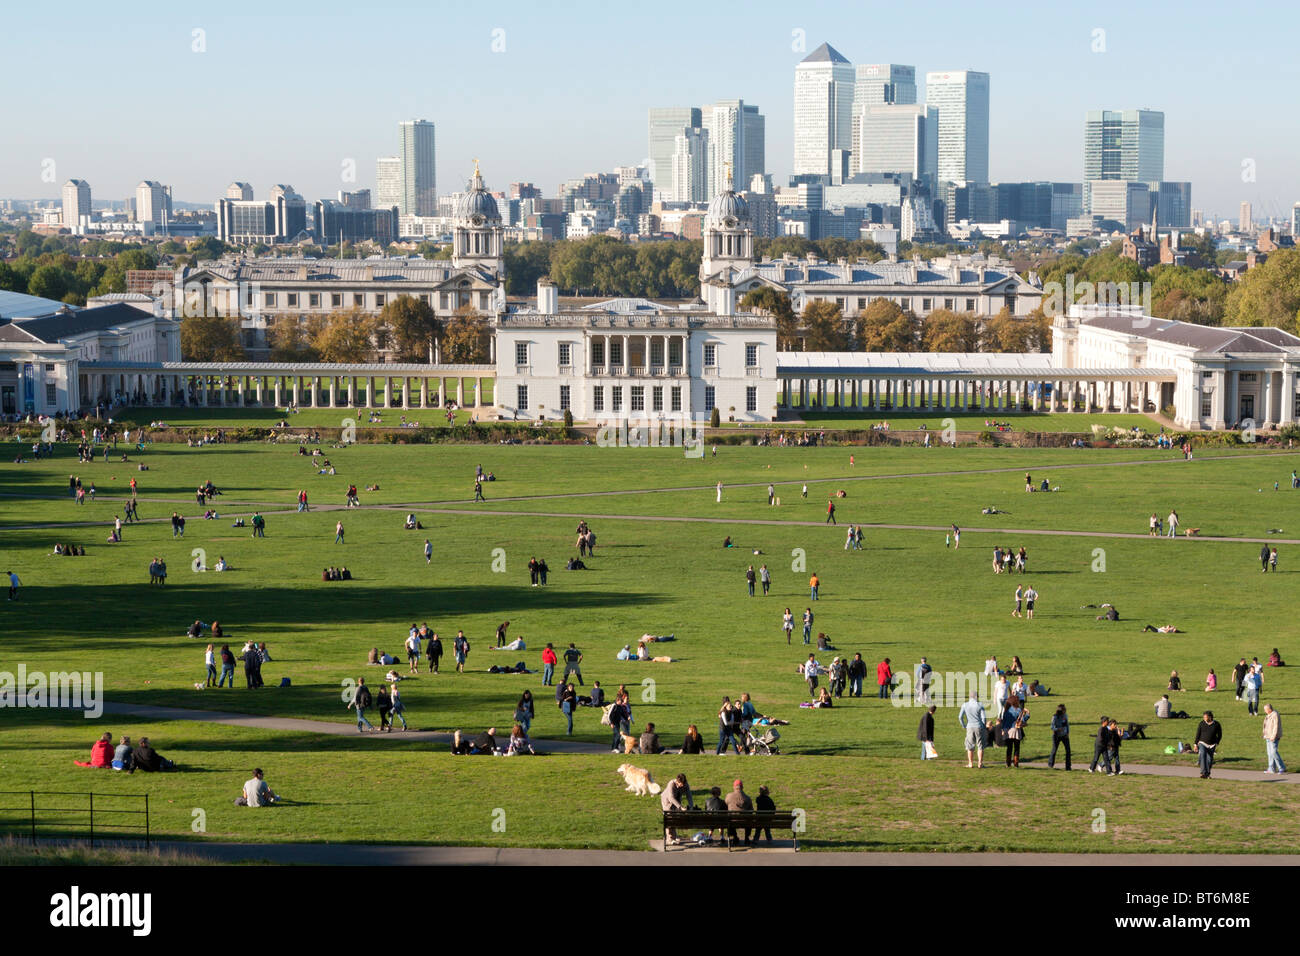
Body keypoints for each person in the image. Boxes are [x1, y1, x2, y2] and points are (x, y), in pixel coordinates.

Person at [661, 773, 695, 845]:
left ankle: (674, 836)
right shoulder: (671, 784)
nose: (682, 785)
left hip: (677, 799)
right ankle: (669, 838)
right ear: (677, 781)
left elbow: (689, 795)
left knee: (675, 817)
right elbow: (671, 797)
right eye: (680, 784)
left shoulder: (685, 784)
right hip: (667, 801)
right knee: (669, 818)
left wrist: (691, 806)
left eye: (683, 783)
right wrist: (680, 807)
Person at [959, 692, 987, 768]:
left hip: (969, 726)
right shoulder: (980, 705)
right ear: (976, 697)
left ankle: (970, 763)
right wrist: (984, 726)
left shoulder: (965, 705)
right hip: (979, 726)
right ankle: (980, 763)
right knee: (980, 746)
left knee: (970, 746)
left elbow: (960, 717)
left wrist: (964, 725)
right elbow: (983, 718)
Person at [724, 779, 755, 846]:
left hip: (732, 821)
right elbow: (751, 810)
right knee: (750, 819)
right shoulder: (747, 798)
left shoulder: (729, 796)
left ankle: (735, 837)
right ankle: (746, 838)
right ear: (742, 787)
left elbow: (725, 805)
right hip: (745, 821)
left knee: (729, 819)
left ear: (734, 787)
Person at [1002, 697, 1028, 767]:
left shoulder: (1006, 710)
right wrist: (1027, 714)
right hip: (1016, 730)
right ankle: (1016, 763)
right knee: (1017, 747)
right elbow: (1023, 720)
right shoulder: (1019, 710)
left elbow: (1003, 721)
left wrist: (1002, 730)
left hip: (1007, 730)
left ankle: (1008, 763)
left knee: (1009, 747)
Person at [1195, 711, 1223, 778]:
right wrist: (1195, 744)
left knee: (1209, 759)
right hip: (1202, 743)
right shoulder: (1202, 723)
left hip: (1212, 744)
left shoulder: (1216, 724)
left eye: (1205, 717)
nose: (1204, 718)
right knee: (1202, 755)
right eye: (1203, 717)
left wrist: (1217, 742)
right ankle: (1203, 773)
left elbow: (1220, 734)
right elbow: (1198, 734)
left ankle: (1207, 774)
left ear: (1210, 717)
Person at [1262, 703, 1286, 774]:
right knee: (1270, 753)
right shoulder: (1268, 715)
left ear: (1269, 709)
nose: (1264, 711)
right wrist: (1264, 734)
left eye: (1265, 710)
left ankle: (1281, 767)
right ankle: (1271, 769)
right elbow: (1266, 725)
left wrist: (1273, 736)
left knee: (1274, 752)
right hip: (1268, 736)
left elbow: (1276, 726)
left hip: (1273, 737)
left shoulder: (1275, 714)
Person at [1048, 704, 1071, 770]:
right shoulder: (1055, 717)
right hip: (1056, 736)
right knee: (1054, 750)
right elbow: (1052, 727)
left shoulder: (1065, 716)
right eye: (1064, 709)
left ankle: (1068, 766)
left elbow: (1067, 724)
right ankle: (1050, 764)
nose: (1065, 710)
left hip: (1064, 735)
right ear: (1061, 710)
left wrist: (1068, 732)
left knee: (1068, 751)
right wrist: (1058, 729)